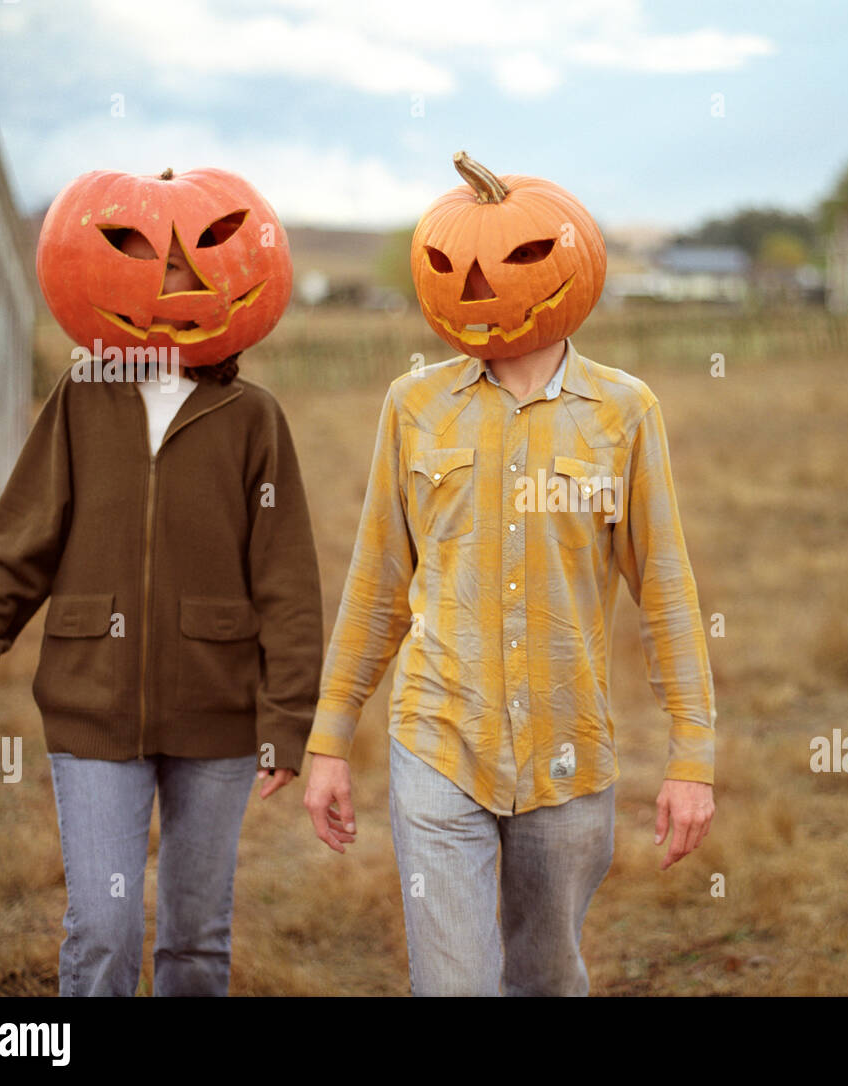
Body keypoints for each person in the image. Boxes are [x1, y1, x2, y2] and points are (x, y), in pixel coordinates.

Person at [303, 152, 716, 996]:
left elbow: (667, 589)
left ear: (566, 264)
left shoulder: (625, 412)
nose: (485, 284)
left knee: (545, 978)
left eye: (517, 260)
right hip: (438, 738)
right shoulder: (414, 407)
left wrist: (693, 758)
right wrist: (330, 737)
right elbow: (377, 583)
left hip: (569, 752)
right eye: (461, 267)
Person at [0, 214, 323, 997]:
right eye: (145, 262)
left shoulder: (254, 418)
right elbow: (18, 540)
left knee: (195, 938)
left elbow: (287, 583)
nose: (163, 283)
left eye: (182, 266)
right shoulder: (83, 398)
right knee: (104, 933)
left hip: (219, 718)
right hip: (91, 707)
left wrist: (286, 720)